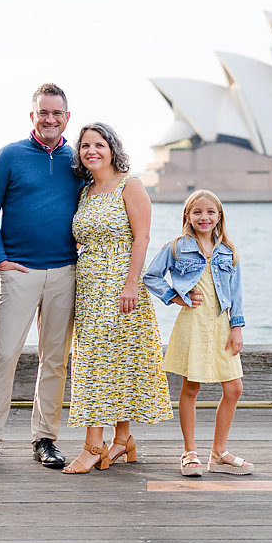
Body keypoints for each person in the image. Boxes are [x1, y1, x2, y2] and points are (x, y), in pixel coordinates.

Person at [0, 83, 84, 474]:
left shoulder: (78, 159)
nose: (50, 119)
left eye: (57, 113)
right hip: (18, 271)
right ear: (32, 115)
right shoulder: (10, 155)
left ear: (67, 117)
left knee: (55, 359)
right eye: (43, 113)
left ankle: (45, 439)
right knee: (4, 354)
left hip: (65, 271)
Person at [62, 122, 173, 474]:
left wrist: (130, 285)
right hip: (89, 286)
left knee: (107, 363)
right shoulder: (85, 192)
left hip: (120, 287)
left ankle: (94, 444)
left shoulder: (131, 184)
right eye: (85, 146)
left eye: (98, 145)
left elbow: (141, 238)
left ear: (112, 148)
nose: (91, 151)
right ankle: (122, 439)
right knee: (106, 362)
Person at [143, 189, 253, 476]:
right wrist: (174, 296)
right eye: (197, 212)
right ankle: (189, 452)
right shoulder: (177, 247)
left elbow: (236, 293)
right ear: (188, 217)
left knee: (234, 388)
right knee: (191, 387)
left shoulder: (229, 251)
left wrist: (237, 327)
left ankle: (218, 453)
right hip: (193, 322)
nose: (204, 217)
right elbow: (151, 276)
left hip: (221, 325)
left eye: (210, 212)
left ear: (219, 217)